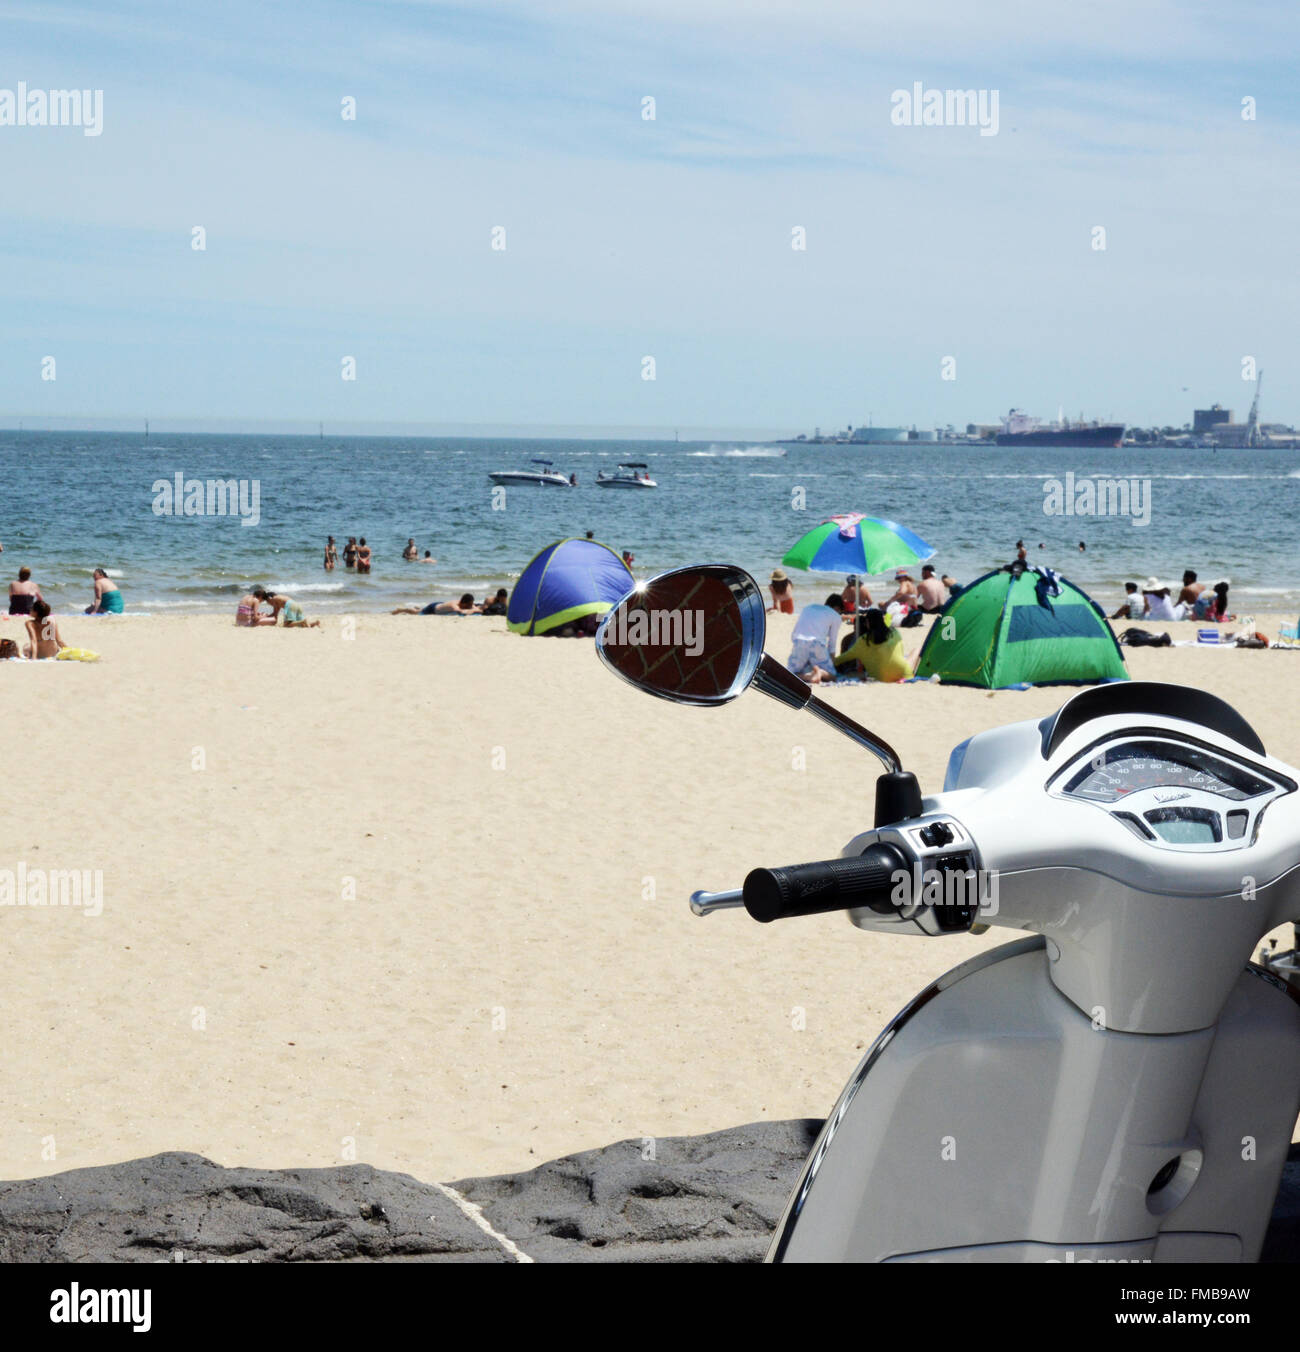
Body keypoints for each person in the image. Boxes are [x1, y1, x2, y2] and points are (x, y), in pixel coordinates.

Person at [833, 607, 914, 683]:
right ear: (883, 620)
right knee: (915, 651)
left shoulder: (864, 641)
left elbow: (841, 659)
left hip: (879, 677)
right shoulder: (894, 632)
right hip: (903, 674)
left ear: (867, 623)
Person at [787, 593, 845, 684]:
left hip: (799, 642)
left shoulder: (808, 608)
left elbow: (795, 632)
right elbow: (832, 644)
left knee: (790, 674)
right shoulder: (835, 615)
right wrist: (832, 665)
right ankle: (820, 673)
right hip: (817, 644)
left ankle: (807, 676)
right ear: (838, 608)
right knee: (833, 676)